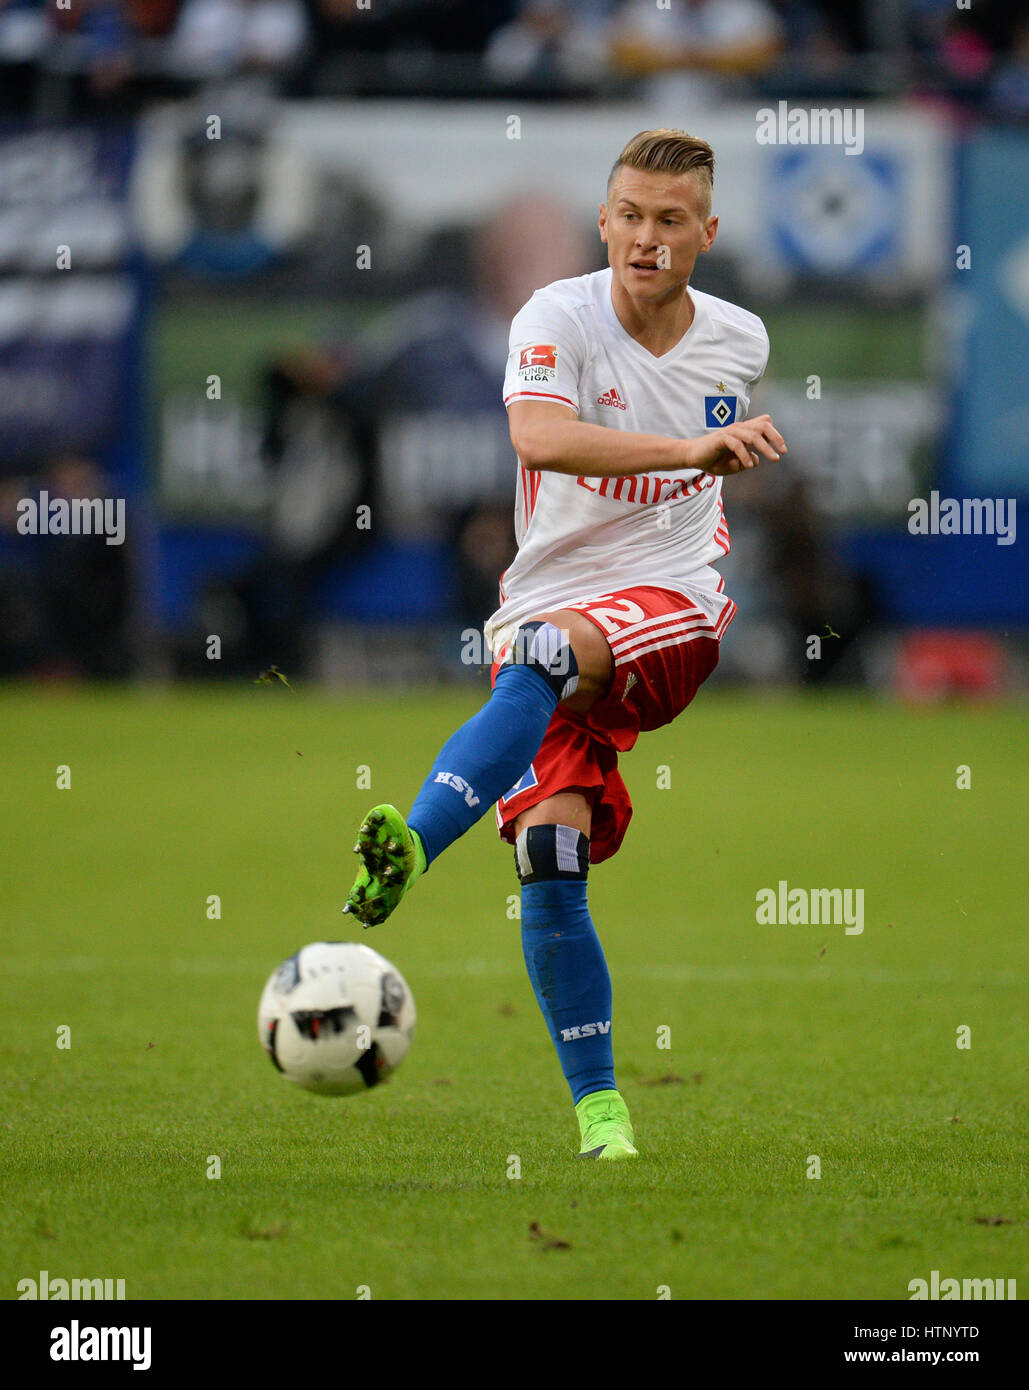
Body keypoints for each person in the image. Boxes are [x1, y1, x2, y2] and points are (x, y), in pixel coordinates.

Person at [344, 129, 786, 1161]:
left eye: (670, 220)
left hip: (673, 606)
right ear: (604, 221)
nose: (646, 237)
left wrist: (703, 457)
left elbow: (689, 459)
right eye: (629, 215)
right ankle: (602, 1114)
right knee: (550, 855)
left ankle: (413, 841)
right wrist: (691, 448)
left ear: (705, 233)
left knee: (545, 654)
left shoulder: (738, 340)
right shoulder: (554, 315)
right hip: (546, 605)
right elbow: (538, 438)